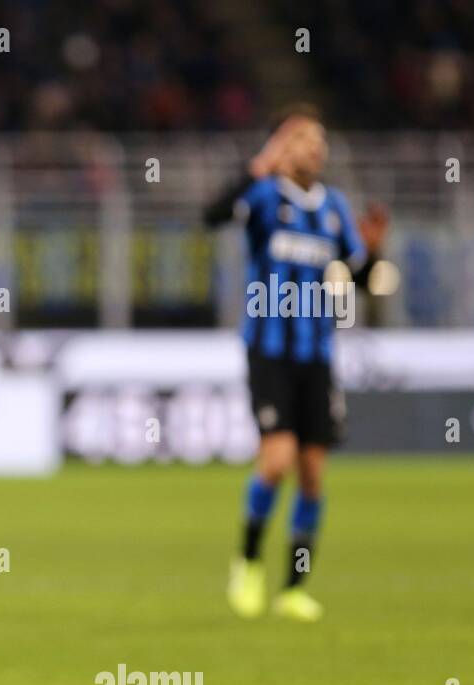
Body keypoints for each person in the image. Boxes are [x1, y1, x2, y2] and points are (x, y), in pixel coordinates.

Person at [204, 105, 389, 622]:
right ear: (283, 147)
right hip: (269, 349)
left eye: (321, 138)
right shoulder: (265, 195)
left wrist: (375, 253)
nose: (317, 147)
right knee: (277, 460)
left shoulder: (333, 207)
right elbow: (212, 215)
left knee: (312, 475)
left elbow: (361, 279)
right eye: (305, 138)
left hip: (318, 355)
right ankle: (247, 563)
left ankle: (293, 588)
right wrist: (258, 165)